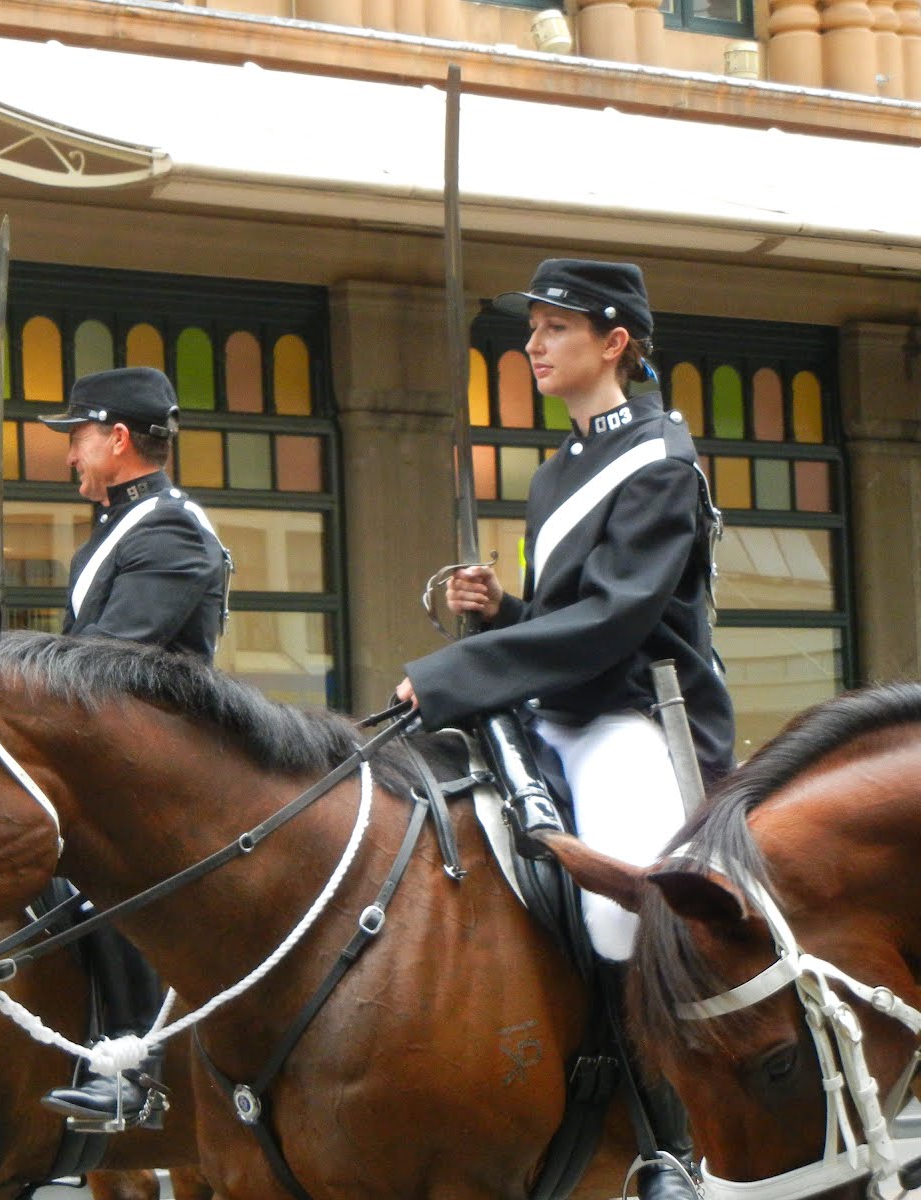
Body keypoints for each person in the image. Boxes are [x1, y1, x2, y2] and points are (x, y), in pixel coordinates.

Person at [395, 259, 734, 1200]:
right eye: (532, 329)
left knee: (622, 906)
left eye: (555, 328)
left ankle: (666, 1140)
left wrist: (453, 674)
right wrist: (502, 611)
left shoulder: (663, 461)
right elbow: (561, 615)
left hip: (633, 717)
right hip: (552, 710)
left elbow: (614, 622)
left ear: (615, 342)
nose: (533, 346)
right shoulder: (556, 472)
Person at [35, 366, 231, 1127]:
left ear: (117, 439)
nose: (69, 454)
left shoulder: (171, 530)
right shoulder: (117, 527)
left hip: (161, 755)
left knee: (104, 875)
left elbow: (111, 659)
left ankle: (132, 1062)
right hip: (110, 750)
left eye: (78, 437)